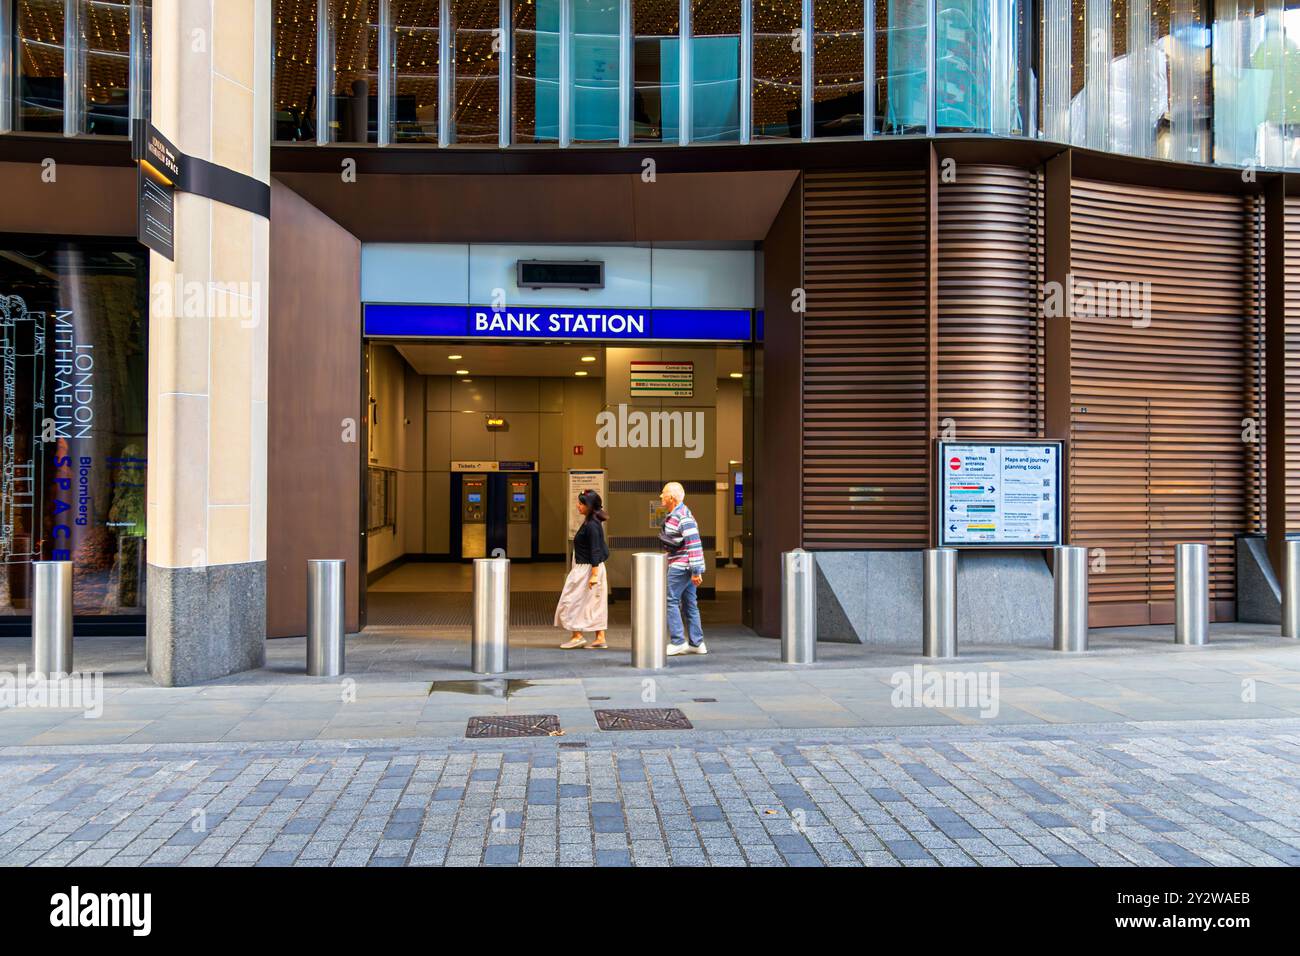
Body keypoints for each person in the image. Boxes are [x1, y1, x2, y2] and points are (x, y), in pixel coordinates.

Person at [556, 490, 610, 649]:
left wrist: (594, 575)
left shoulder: (592, 525)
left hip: (587, 569)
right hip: (590, 568)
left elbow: (595, 550)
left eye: (581, 503)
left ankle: (577, 635)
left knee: (571, 600)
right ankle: (600, 637)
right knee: (594, 602)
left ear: (589, 506)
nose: (577, 506)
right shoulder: (592, 522)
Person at [659, 482, 707, 656]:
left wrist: (696, 571)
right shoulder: (678, 514)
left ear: (671, 497)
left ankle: (678, 641)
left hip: (681, 566)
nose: (660, 496)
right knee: (690, 604)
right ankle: (696, 643)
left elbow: (694, 543)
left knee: (669, 600)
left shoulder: (682, 516)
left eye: (663, 493)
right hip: (685, 565)